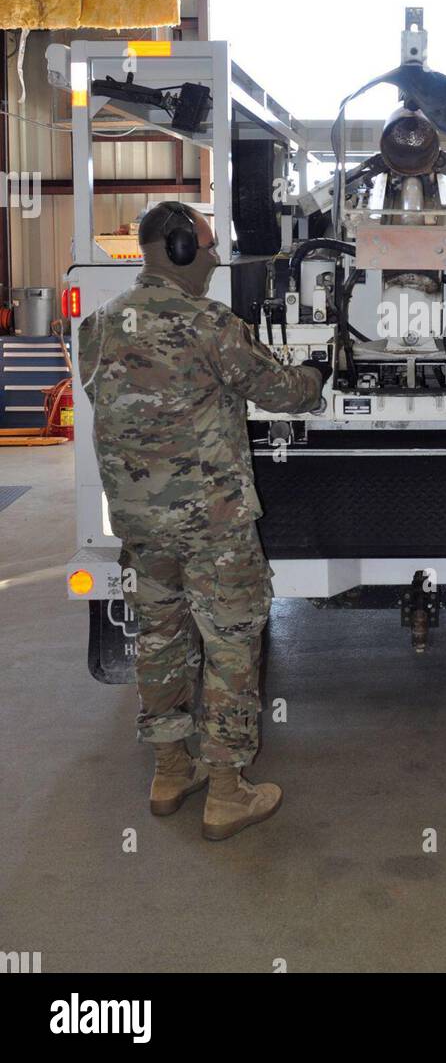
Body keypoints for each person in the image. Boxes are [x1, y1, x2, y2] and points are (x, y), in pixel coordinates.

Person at [78, 201, 328, 841]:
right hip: (212, 525)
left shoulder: (99, 325)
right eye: (210, 246)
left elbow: (106, 396)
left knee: (160, 640)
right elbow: (278, 392)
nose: (217, 257)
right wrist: (316, 373)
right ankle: (225, 791)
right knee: (231, 644)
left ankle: (169, 773)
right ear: (183, 248)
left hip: (139, 524)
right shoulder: (210, 322)